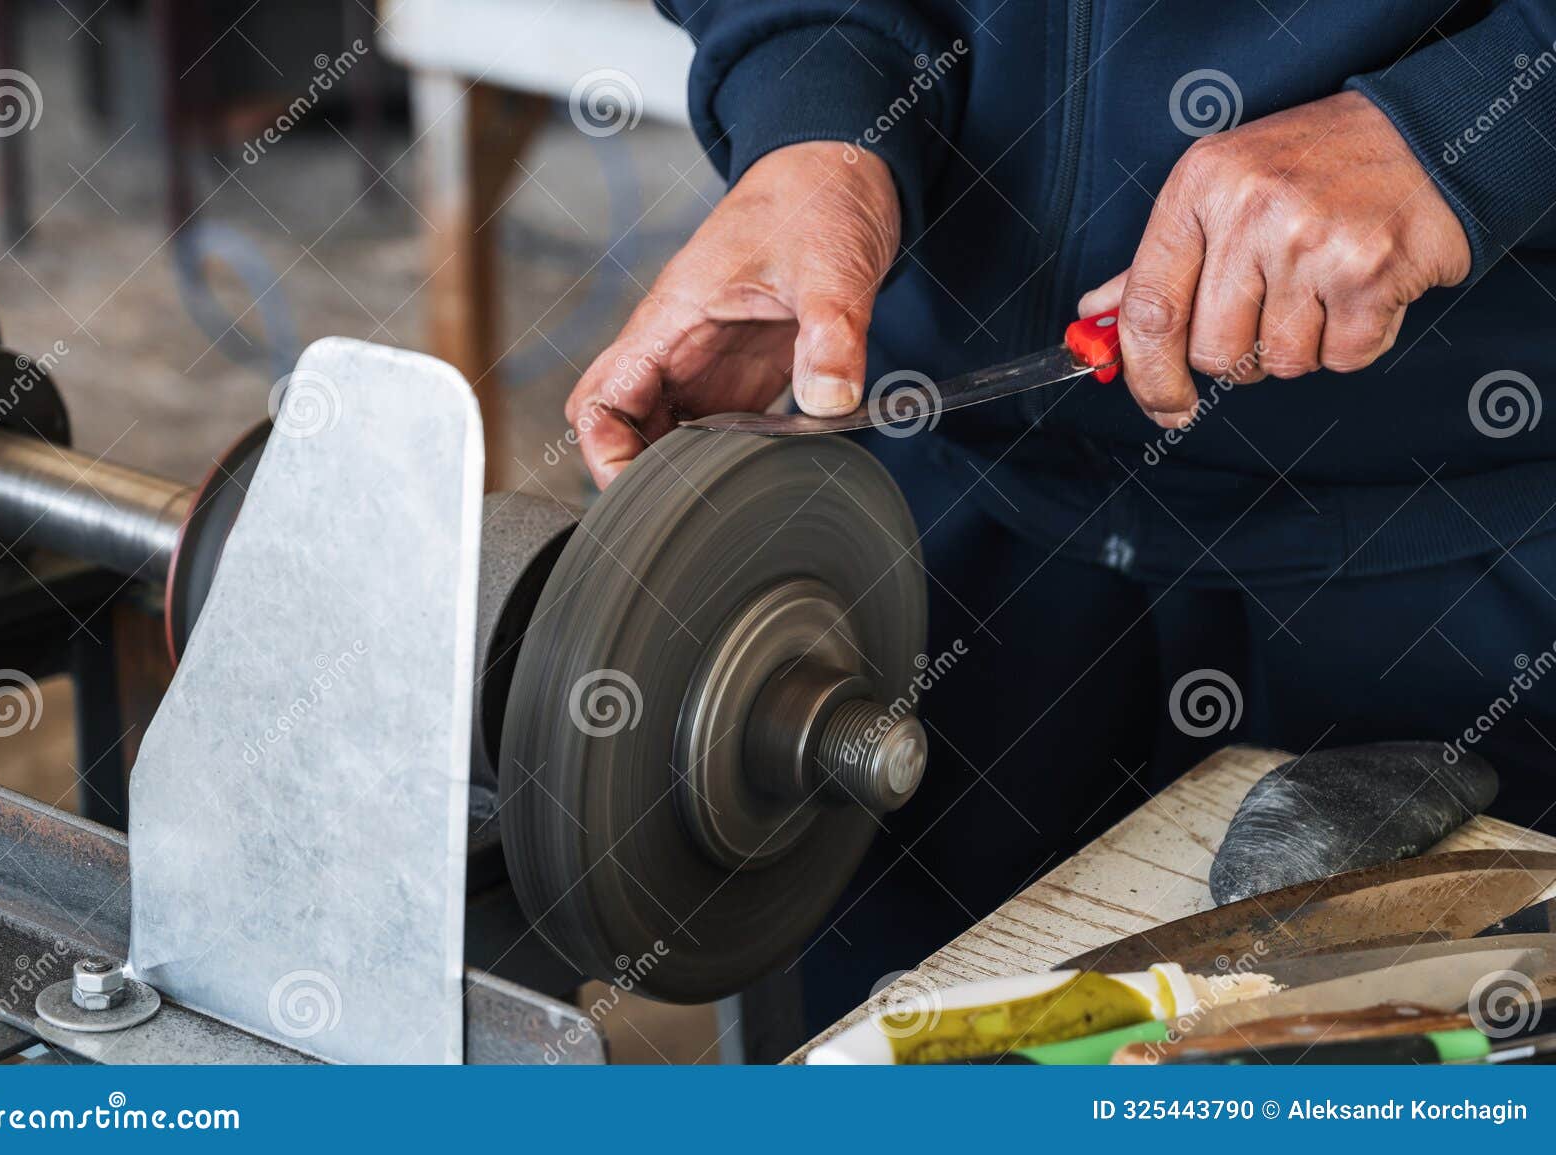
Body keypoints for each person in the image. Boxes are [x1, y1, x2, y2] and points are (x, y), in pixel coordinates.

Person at [563, 2, 1556, 1023]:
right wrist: (815, 118)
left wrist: (1464, 132)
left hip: (1463, 550)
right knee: (907, 1064)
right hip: (938, 531)